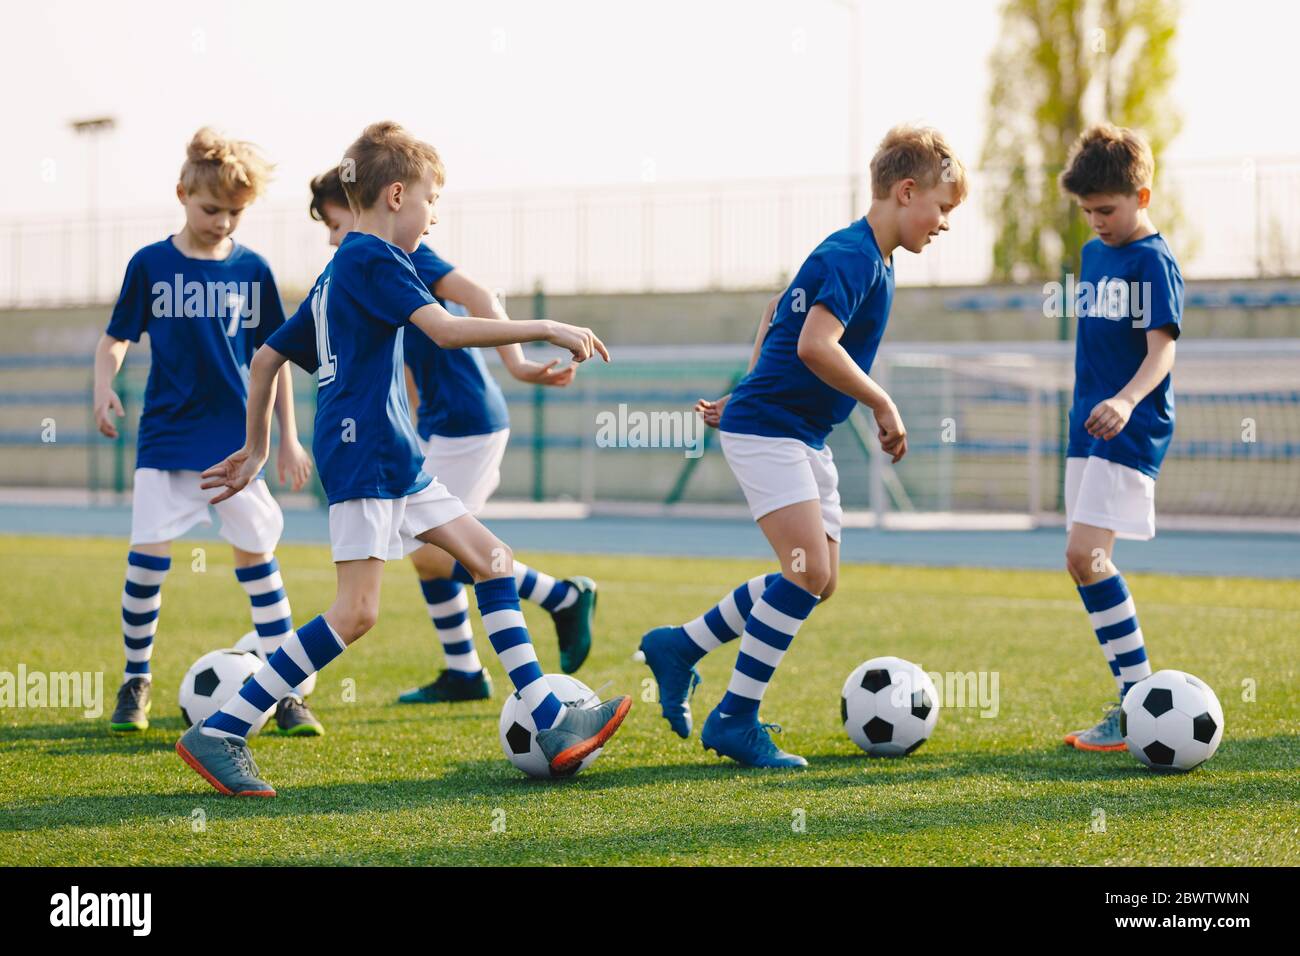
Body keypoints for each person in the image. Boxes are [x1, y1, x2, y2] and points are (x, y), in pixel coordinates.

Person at [179, 122, 630, 796]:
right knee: (356, 613)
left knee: (492, 560)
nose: (432, 216)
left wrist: (258, 448)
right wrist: (544, 325)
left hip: (389, 450)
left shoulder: (340, 271)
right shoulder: (376, 260)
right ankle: (223, 729)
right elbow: (446, 331)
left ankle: (546, 716)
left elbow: (269, 355)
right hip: (368, 453)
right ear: (396, 195)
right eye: (431, 202)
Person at [639, 126, 967, 767]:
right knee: (805, 572)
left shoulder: (871, 256)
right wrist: (881, 401)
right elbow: (815, 344)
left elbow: (776, 311)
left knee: (821, 582)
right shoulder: (854, 256)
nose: (946, 223)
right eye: (944, 208)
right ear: (907, 192)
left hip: (796, 431)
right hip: (771, 431)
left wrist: (749, 383)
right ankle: (735, 718)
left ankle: (679, 646)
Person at [94, 128, 320, 737]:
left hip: (236, 447)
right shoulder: (150, 263)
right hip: (166, 440)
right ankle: (135, 681)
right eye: (211, 209)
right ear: (182, 194)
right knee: (147, 562)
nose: (223, 222)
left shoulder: (254, 270)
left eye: (236, 212)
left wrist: (289, 440)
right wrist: (102, 382)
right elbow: (116, 337)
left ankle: (287, 688)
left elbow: (277, 361)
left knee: (259, 563)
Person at [1056, 124, 1182, 752]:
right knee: (1082, 562)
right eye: (1087, 211)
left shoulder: (1153, 261)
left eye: (1106, 209)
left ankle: (1138, 703)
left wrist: (1126, 401)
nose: (1097, 221)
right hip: (1088, 426)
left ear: (1143, 196)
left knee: (1087, 557)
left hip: (1128, 427)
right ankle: (1135, 701)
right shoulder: (1094, 254)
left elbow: (1162, 352)